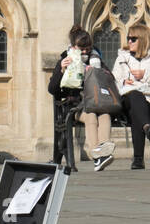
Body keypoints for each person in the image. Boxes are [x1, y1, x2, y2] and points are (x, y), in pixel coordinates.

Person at [48, 26, 113, 172]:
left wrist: (97, 73)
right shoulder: (65, 60)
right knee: (91, 116)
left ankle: (103, 153)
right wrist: (61, 71)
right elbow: (52, 89)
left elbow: (111, 79)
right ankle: (97, 155)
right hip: (75, 106)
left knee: (105, 115)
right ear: (73, 47)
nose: (85, 52)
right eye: (81, 49)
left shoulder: (96, 59)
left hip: (98, 103)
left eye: (88, 48)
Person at [112, 24, 150, 170]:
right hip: (126, 101)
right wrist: (123, 82)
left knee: (136, 111)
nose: (129, 42)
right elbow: (113, 82)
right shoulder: (122, 57)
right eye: (128, 38)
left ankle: (138, 159)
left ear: (143, 40)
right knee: (134, 95)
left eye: (133, 39)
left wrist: (146, 76)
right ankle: (147, 127)